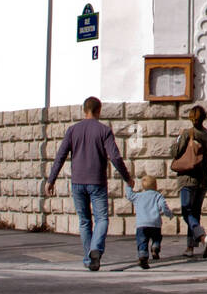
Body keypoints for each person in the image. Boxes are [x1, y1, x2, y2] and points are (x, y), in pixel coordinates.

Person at [44, 96, 134, 271]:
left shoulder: (72, 130)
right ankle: (96, 249)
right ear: (98, 110)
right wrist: (127, 178)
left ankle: (88, 258)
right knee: (101, 219)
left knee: (84, 221)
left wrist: (51, 180)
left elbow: (60, 156)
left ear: (84, 110)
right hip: (97, 182)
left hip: (77, 182)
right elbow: (115, 156)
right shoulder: (104, 131)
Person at [172, 104, 207, 258]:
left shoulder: (188, 133)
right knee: (195, 212)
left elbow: (176, 152)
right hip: (203, 178)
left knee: (186, 211)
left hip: (188, 178)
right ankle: (190, 247)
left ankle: (202, 237)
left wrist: (176, 141)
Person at [126, 174, 173, 269]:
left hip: (142, 224)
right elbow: (163, 206)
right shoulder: (158, 196)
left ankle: (143, 257)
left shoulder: (138, 196)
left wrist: (129, 186)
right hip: (155, 223)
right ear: (155, 185)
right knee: (157, 238)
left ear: (143, 186)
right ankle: (155, 247)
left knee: (142, 241)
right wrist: (169, 214)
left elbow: (129, 195)